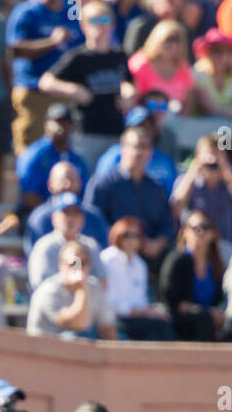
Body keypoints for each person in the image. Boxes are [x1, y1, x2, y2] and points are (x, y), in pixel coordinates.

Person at [39, 1, 130, 169]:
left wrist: (130, 95)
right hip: (87, 133)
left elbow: (131, 83)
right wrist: (73, 90)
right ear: (84, 26)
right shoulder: (78, 58)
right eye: (95, 21)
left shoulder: (120, 56)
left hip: (116, 132)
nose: (100, 27)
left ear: (112, 25)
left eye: (105, 21)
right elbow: (45, 82)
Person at [6, 0, 81, 153]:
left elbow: (80, 47)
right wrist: (51, 42)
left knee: (63, 148)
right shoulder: (26, 12)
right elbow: (15, 50)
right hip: (33, 91)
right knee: (31, 149)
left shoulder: (71, 14)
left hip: (63, 92)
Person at [84, 125, 174, 272]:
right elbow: (92, 221)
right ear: (123, 149)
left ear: (151, 152)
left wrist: (158, 242)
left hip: (149, 257)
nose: (140, 152)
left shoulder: (156, 189)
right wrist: (124, 241)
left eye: (144, 147)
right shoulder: (103, 184)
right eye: (135, 146)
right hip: (111, 257)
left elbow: (167, 224)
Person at [171, 133, 232, 245]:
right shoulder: (184, 181)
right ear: (198, 157)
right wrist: (191, 175)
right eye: (209, 153)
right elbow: (175, 209)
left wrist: (229, 179)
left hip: (222, 246)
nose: (213, 160)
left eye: (218, 154)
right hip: (193, 245)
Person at [26, 240, 117, 339]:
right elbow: (76, 324)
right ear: (60, 265)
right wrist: (82, 290)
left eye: (82, 262)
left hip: (80, 342)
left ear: (89, 265)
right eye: (72, 262)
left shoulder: (94, 285)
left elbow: (106, 327)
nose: (77, 268)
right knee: (74, 337)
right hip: (46, 347)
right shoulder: (49, 289)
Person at [160, 208, 227, 341]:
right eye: (195, 228)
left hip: (210, 320)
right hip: (181, 321)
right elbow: (173, 303)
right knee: (204, 319)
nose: (200, 232)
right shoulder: (177, 261)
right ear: (185, 232)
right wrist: (207, 312)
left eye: (205, 227)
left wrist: (219, 313)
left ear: (213, 233)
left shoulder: (216, 263)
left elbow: (220, 298)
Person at [102, 216, 172, 340]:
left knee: (164, 323)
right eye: (126, 235)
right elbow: (110, 303)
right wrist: (143, 312)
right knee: (156, 329)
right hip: (114, 318)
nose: (131, 240)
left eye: (136, 236)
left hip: (136, 318)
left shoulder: (140, 264)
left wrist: (152, 311)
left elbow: (141, 301)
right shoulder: (107, 260)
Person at [26, 191, 107, 291]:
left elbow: (102, 281)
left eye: (75, 213)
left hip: (86, 302)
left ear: (83, 219)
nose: (70, 219)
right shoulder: (45, 246)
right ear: (54, 218)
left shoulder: (90, 245)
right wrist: (75, 283)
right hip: (54, 303)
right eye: (66, 212)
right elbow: (41, 285)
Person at [14, 105, 88, 212]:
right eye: (57, 122)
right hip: (37, 215)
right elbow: (28, 195)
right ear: (46, 125)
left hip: (72, 215)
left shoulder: (77, 159)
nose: (62, 127)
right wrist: (52, 215)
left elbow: (84, 193)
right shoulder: (34, 154)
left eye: (66, 122)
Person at [188, 28, 232, 122]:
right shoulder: (198, 76)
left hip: (225, 131)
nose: (222, 56)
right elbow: (210, 108)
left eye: (227, 52)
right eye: (216, 51)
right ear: (206, 53)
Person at [127, 19, 192, 108]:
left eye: (176, 40)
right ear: (157, 39)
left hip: (174, 119)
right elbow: (132, 98)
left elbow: (187, 102)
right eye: (168, 39)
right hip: (145, 117)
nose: (172, 44)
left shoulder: (183, 66)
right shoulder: (140, 63)